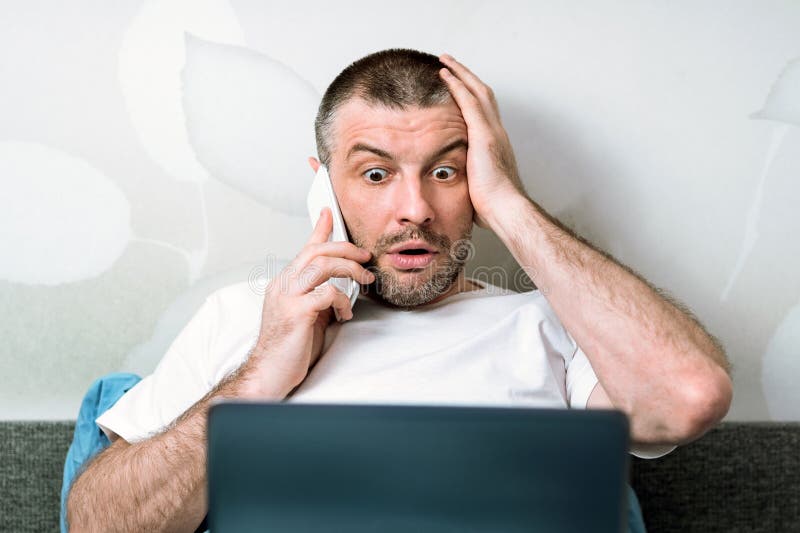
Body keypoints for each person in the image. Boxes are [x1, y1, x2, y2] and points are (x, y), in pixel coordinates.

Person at [63, 49, 732, 532]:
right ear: (322, 185)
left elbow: (688, 396)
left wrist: (511, 204)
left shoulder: (553, 326)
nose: (413, 207)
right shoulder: (244, 318)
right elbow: (96, 524)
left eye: (445, 170)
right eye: (376, 174)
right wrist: (257, 376)